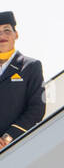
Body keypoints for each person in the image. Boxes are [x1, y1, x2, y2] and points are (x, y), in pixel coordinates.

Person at [0, 12, 45, 152]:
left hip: (16, 146)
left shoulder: (30, 66)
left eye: (7, 30)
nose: (2, 36)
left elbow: (36, 109)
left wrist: (7, 138)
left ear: (16, 34)